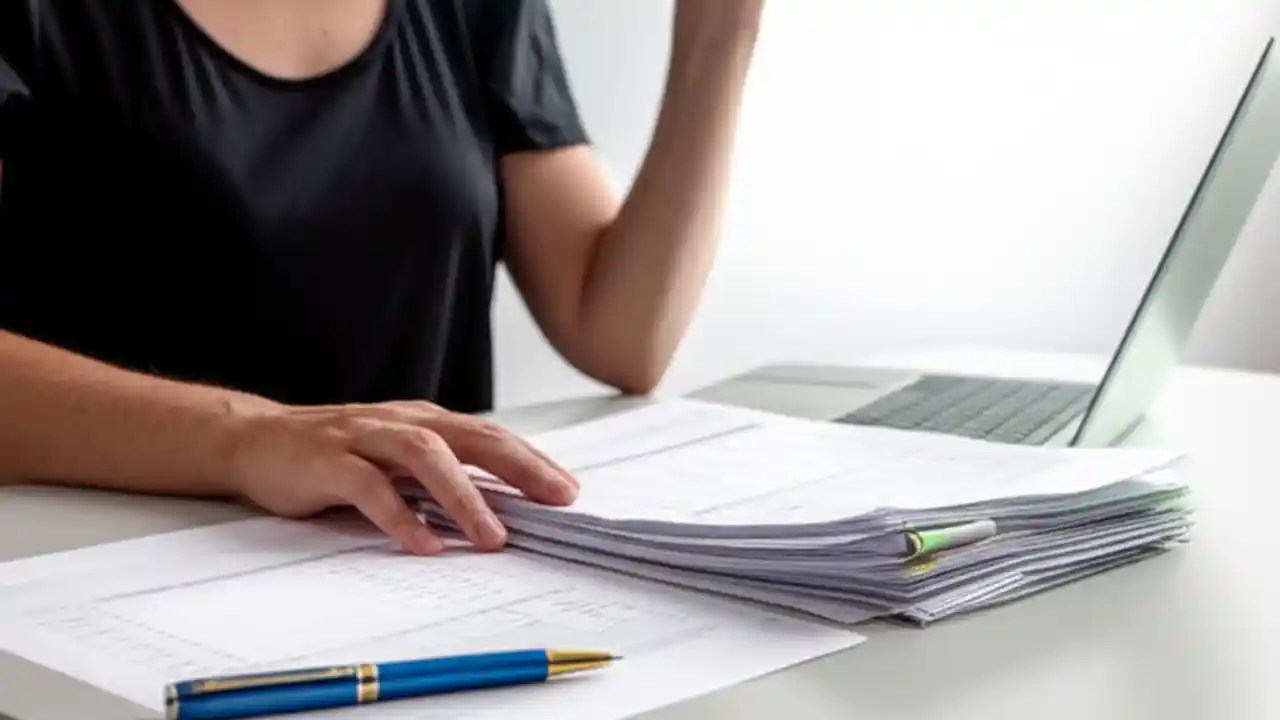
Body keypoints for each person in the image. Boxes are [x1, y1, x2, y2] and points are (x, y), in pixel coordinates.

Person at [0, 0, 763, 555]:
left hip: (412, 570)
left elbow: (622, 334)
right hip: (97, 584)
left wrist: (722, 32)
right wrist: (245, 439)